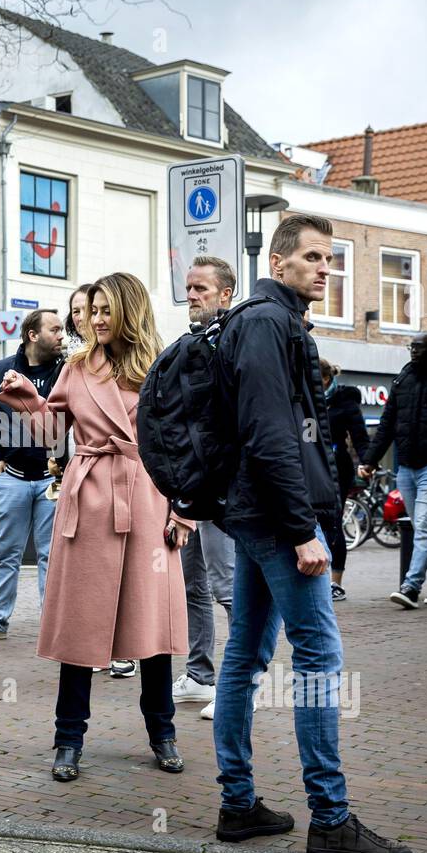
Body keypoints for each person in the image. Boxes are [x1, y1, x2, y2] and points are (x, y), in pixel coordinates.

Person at [211, 214, 412, 853]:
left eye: (329, 259)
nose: (326, 269)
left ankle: (238, 805)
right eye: (315, 258)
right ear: (279, 260)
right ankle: (330, 818)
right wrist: (303, 531)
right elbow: (272, 435)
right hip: (274, 518)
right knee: (319, 656)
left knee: (244, 655)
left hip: (252, 512)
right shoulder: (268, 324)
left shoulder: (269, 321)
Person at [0, 272, 192, 783]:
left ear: (130, 310)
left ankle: (162, 732)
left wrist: (186, 509)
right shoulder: (78, 366)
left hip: (149, 498)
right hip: (89, 499)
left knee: (151, 627)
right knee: (82, 626)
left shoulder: (164, 365)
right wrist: (28, 403)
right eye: (93, 310)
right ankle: (68, 739)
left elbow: (183, 441)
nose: (97, 319)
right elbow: (54, 434)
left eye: (107, 309)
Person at [358, 331, 427, 609]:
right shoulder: (403, 378)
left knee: (422, 525)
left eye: (419, 348)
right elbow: (387, 424)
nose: (414, 352)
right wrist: (370, 460)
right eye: (411, 347)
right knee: (424, 527)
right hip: (406, 468)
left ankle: (411, 586)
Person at [0, 309, 66, 642]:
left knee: (52, 556)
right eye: (54, 330)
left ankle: (52, 624)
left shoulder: (65, 373)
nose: (62, 336)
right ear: (33, 335)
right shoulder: (0, 372)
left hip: (52, 480)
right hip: (10, 476)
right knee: (5, 553)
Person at [173, 257, 237, 711]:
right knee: (191, 584)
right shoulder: (190, 344)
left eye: (202, 289)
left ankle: (237, 688)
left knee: (229, 588)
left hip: (222, 489)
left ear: (225, 294)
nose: (192, 295)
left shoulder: (234, 341)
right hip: (189, 487)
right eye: (189, 288)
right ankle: (199, 674)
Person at [320, 359, 369, 601]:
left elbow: (359, 434)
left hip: (337, 466)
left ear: (326, 379)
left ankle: (335, 583)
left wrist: (367, 461)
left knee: (332, 522)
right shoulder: (302, 395)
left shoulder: (344, 401)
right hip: (308, 466)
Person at [63, 284, 91, 356]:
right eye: (76, 312)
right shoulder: (68, 355)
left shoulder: (115, 353)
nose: (81, 317)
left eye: (88, 310)